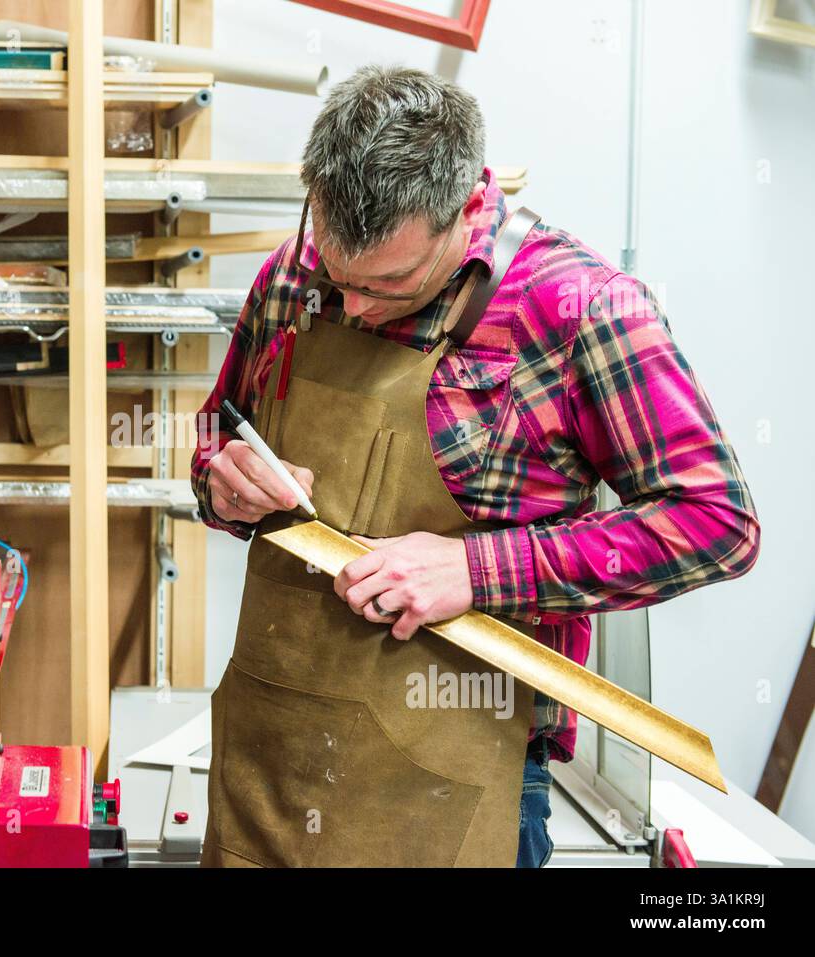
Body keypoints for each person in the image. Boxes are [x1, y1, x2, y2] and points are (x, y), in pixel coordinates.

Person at [192, 65, 759, 868]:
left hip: (449, 782)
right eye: (336, 275)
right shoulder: (294, 272)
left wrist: (479, 566)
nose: (350, 306)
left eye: (390, 282)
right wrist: (220, 481)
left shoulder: (582, 310)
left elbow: (715, 523)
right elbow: (218, 430)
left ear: (466, 208)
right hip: (265, 767)